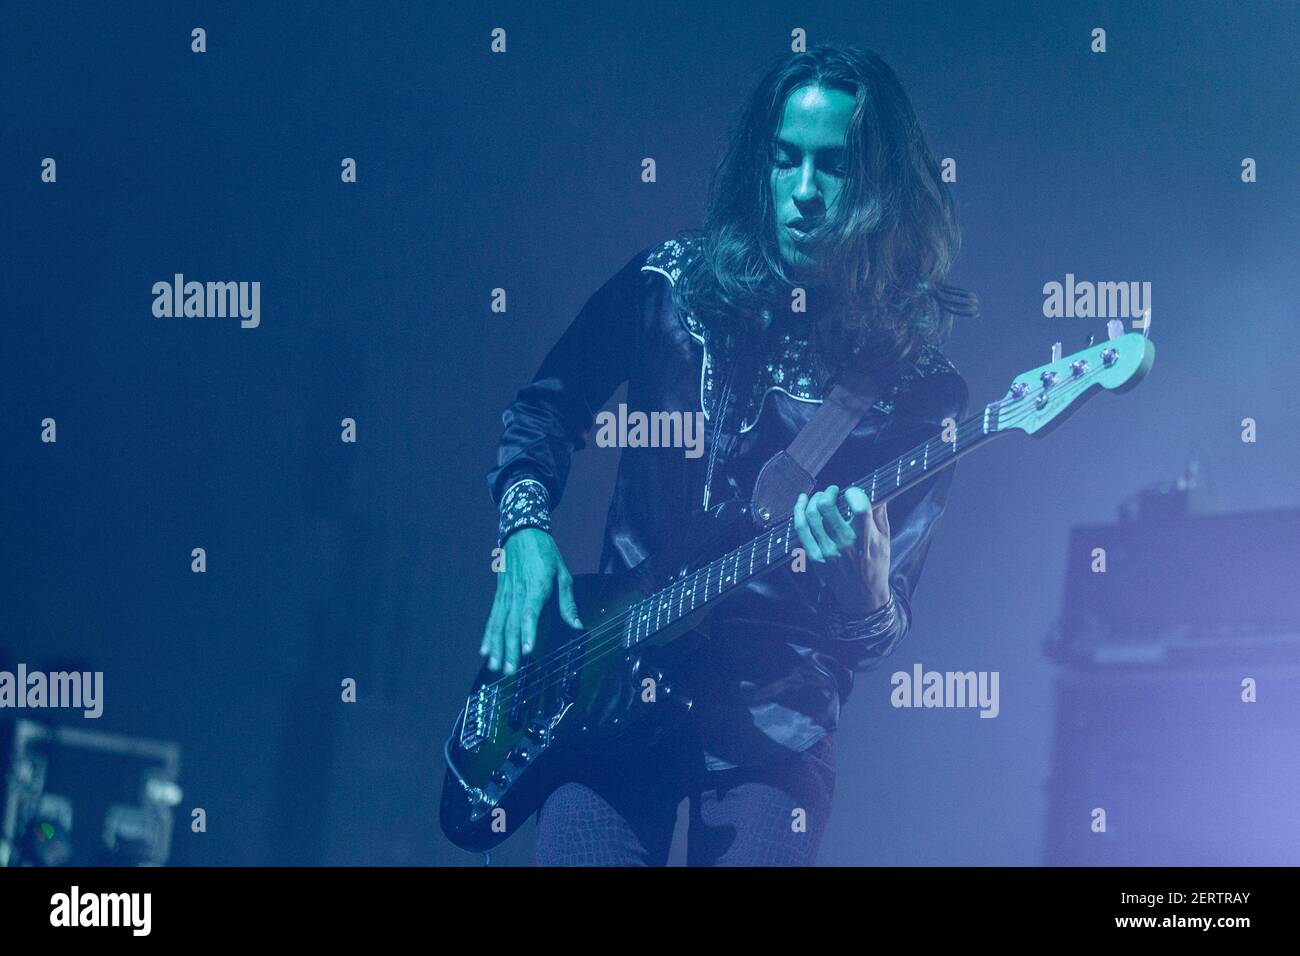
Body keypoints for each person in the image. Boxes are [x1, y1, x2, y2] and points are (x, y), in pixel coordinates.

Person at [482, 45, 977, 866]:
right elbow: (544, 409)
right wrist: (525, 534)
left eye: (836, 169)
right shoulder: (668, 286)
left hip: (772, 730)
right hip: (608, 684)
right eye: (786, 161)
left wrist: (863, 590)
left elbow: (880, 632)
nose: (806, 193)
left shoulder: (918, 389)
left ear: (883, 186)